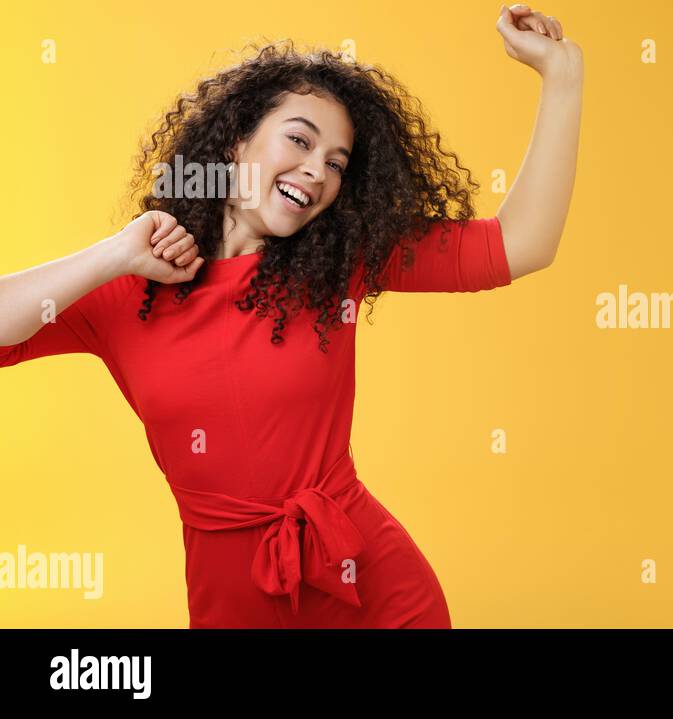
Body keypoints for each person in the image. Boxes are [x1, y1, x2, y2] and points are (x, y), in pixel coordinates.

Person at [0, 4, 582, 628]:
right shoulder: (129, 289)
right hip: (234, 599)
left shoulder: (341, 262)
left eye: (336, 162)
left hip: (372, 587)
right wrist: (113, 253)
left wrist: (563, 77)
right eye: (300, 140)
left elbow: (522, 245)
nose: (317, 169)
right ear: (235, 139)